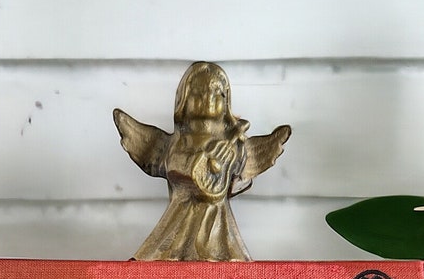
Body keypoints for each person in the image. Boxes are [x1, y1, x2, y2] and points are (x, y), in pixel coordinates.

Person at [114, 61, 291, 260]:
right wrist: (198, 163)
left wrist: (229, 164)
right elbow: (174, 167)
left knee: (225, 256)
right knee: (169, 251)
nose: (208, 99)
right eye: (198, 94)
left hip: (217, 221)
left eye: (216, 94)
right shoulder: (177, 143)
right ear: (183, 100)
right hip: (180, 219)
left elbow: (239, 180)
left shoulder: (234, 146)